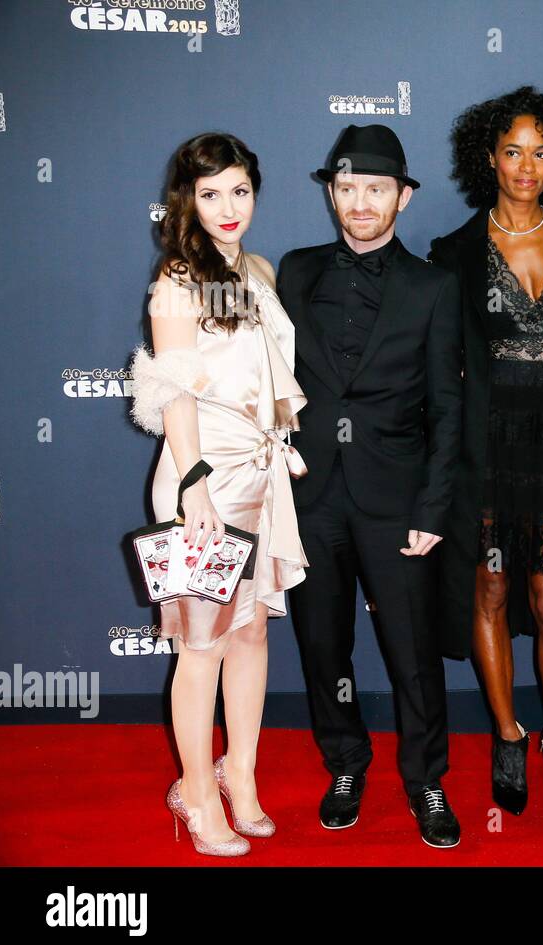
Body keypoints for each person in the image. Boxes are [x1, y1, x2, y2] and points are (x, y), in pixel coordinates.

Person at [428, 87, 543, 817]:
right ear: (489, 159)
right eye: (513, 151)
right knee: (494, 590)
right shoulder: (453, 255)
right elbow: (440, 373)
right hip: (489, 453)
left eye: (541, 152)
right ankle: (508, 732)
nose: (527, 166)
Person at [276, 124, 464, 848]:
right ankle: (346, 763)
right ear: (331, 192)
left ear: (403, 198)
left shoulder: (433, 286)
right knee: (323, 646)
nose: (360, 202)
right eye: (348, 188)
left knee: (412, 652)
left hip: (397, 503)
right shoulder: (292, 273)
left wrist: (433, 506)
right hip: (310, 496)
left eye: (377, 189)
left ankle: (426, 781)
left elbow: (450, 406)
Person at [130, 132, 308, 856]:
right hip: (203, 480)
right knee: (201, 646)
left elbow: (269, 380)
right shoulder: (178, 278)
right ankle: (196, 796)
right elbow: (171, 390)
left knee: (254, 631)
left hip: (262, 479)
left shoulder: (259, 269)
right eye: (210, 194)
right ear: (187, 200)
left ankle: (241, 773)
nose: (228, 207)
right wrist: (195, 486)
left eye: (240, 190)